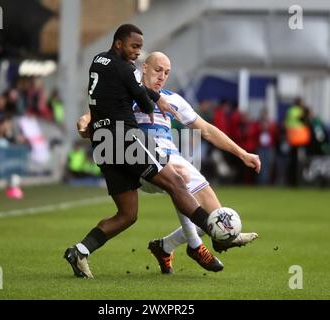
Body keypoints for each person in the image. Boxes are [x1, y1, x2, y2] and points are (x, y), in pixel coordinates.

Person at [78, 52, 261, 274]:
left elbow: (207, 130)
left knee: (208, 214)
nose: (162, 76)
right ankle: (200, 244)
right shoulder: (127, 93)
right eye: (157, 70)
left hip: (168, 161)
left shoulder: (173, 100)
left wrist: (243, 154)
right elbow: (96, 111)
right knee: (182, 176)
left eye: (166, 73)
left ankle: (166, 246)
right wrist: (86, 120)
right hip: (137, 161)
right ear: (144, 68)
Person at [64, 24, 223, 279]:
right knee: (176, 182)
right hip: (125, 138)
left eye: (140, 47)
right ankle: (212, 230)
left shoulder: (98, 61)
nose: (138, 52)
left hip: (103, 143)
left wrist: (87, 119)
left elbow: (113, 97)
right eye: (134, 46)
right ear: (118, 44)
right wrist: (156, 102)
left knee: (127, 215)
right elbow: (145, 100)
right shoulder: (125, 69)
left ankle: (79, 251)